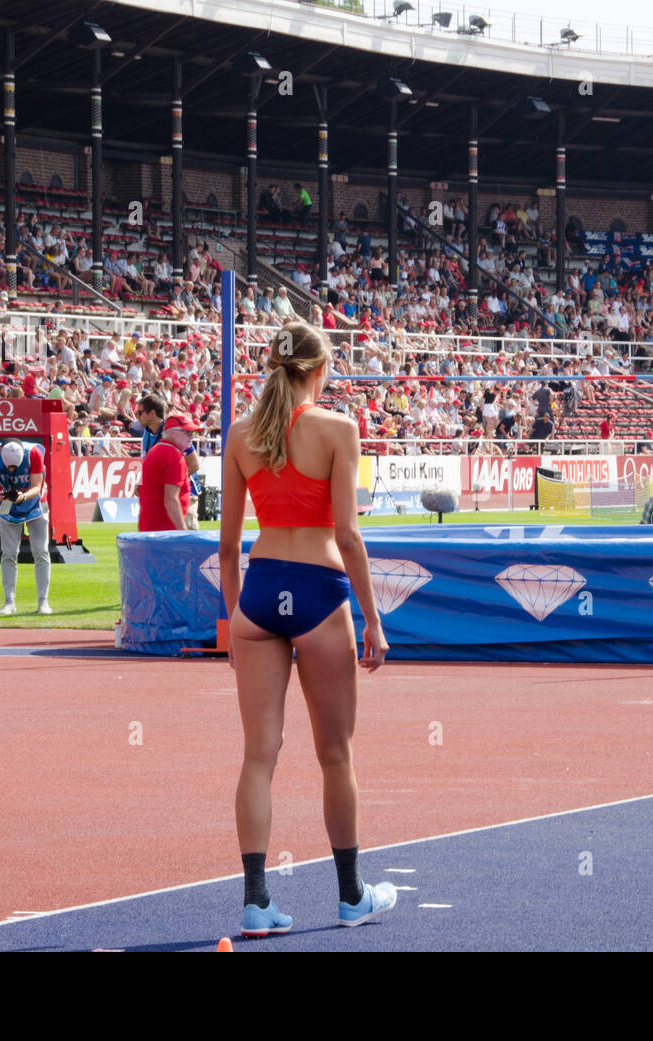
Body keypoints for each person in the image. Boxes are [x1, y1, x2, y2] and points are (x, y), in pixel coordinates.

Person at [218, 321, 396, 938]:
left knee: (258, 757)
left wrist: (234, 625)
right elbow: (348, 536)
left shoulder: (241, 434)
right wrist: (374, 618)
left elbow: (225, 547)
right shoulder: (338, 429)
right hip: (319, 592)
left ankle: (256, 903)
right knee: (335, 754)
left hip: (260, 593)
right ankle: (351, 896)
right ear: (320, 370)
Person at [0, 439, 51, 615]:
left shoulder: (34, 453)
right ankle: (9, 602)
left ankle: (43, 602)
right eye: (9, 468)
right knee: (9, 553)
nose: (12, 470)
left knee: (41, 552)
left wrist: (23, 496)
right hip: (8, 505)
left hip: (36, 504)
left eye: (15, 467)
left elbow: (37, 486)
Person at [137, 393, 202, 528]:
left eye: (140, 412)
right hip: (167, 495)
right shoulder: (147, 434)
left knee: (185, 535)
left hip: (184, 494)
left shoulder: (175, 431)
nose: (137, 416)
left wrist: (173, 482)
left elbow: (194, 464)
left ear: (152, 413)